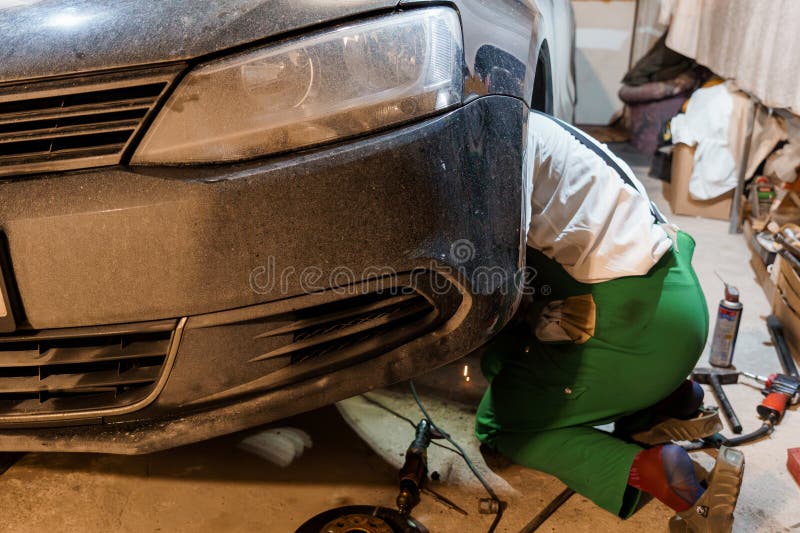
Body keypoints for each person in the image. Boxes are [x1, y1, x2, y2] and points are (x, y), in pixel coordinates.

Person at [475, 111, 745, 532]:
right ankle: (665, 402)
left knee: (501, 423)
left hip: (638, 329)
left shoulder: (487, 152)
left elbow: (487, 278)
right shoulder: (526, 123)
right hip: (679, 304)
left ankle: (657, 470)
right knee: (513, 356)